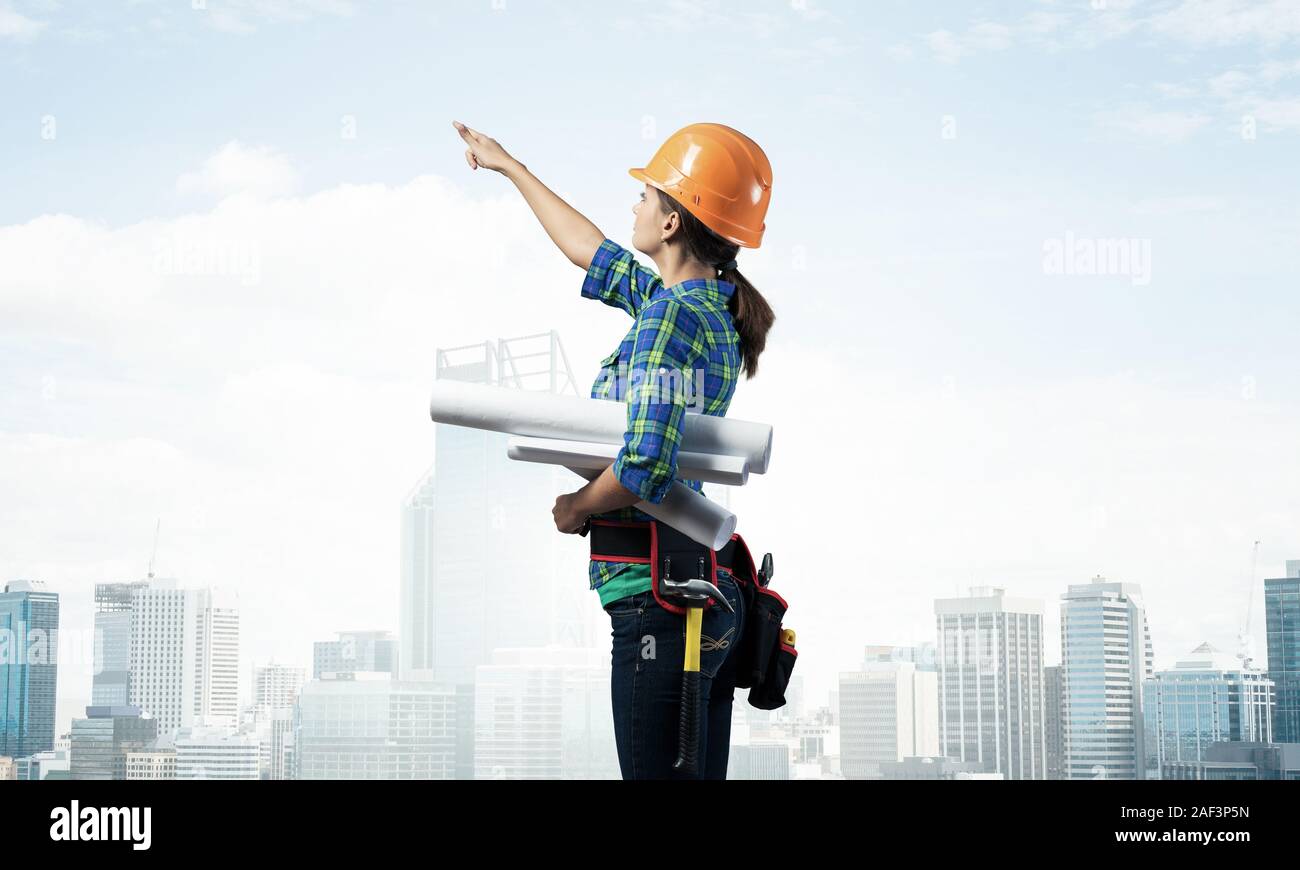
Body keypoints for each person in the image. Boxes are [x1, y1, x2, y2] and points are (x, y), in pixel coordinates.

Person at [453, 119, 775, 779]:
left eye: (647, 196)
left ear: (670, 225)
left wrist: (575, 507)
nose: (634, 204)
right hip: (703, 594)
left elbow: (646, 462)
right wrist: (510, 166)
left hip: (656, 598)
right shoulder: (705, 306)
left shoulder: (667, 317)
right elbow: (591, 252)